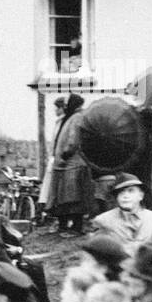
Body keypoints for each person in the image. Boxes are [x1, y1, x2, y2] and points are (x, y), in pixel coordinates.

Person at [44, 94, 92, 235]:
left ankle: (76, 228)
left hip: (72, 164)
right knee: (64, 198)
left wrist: (65, 154)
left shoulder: (76, 118)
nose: (64, 107)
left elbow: (73, 141)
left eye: (66, 105)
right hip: (65, 165)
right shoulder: (70, 117)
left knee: (73, 199)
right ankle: (63, 226)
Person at [91, 173, 152, 254]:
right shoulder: (103, 220)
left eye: (131, 191)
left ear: (141, 196)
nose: (125, 196)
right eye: (121, 192)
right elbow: (95, 252)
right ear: (117, 197)